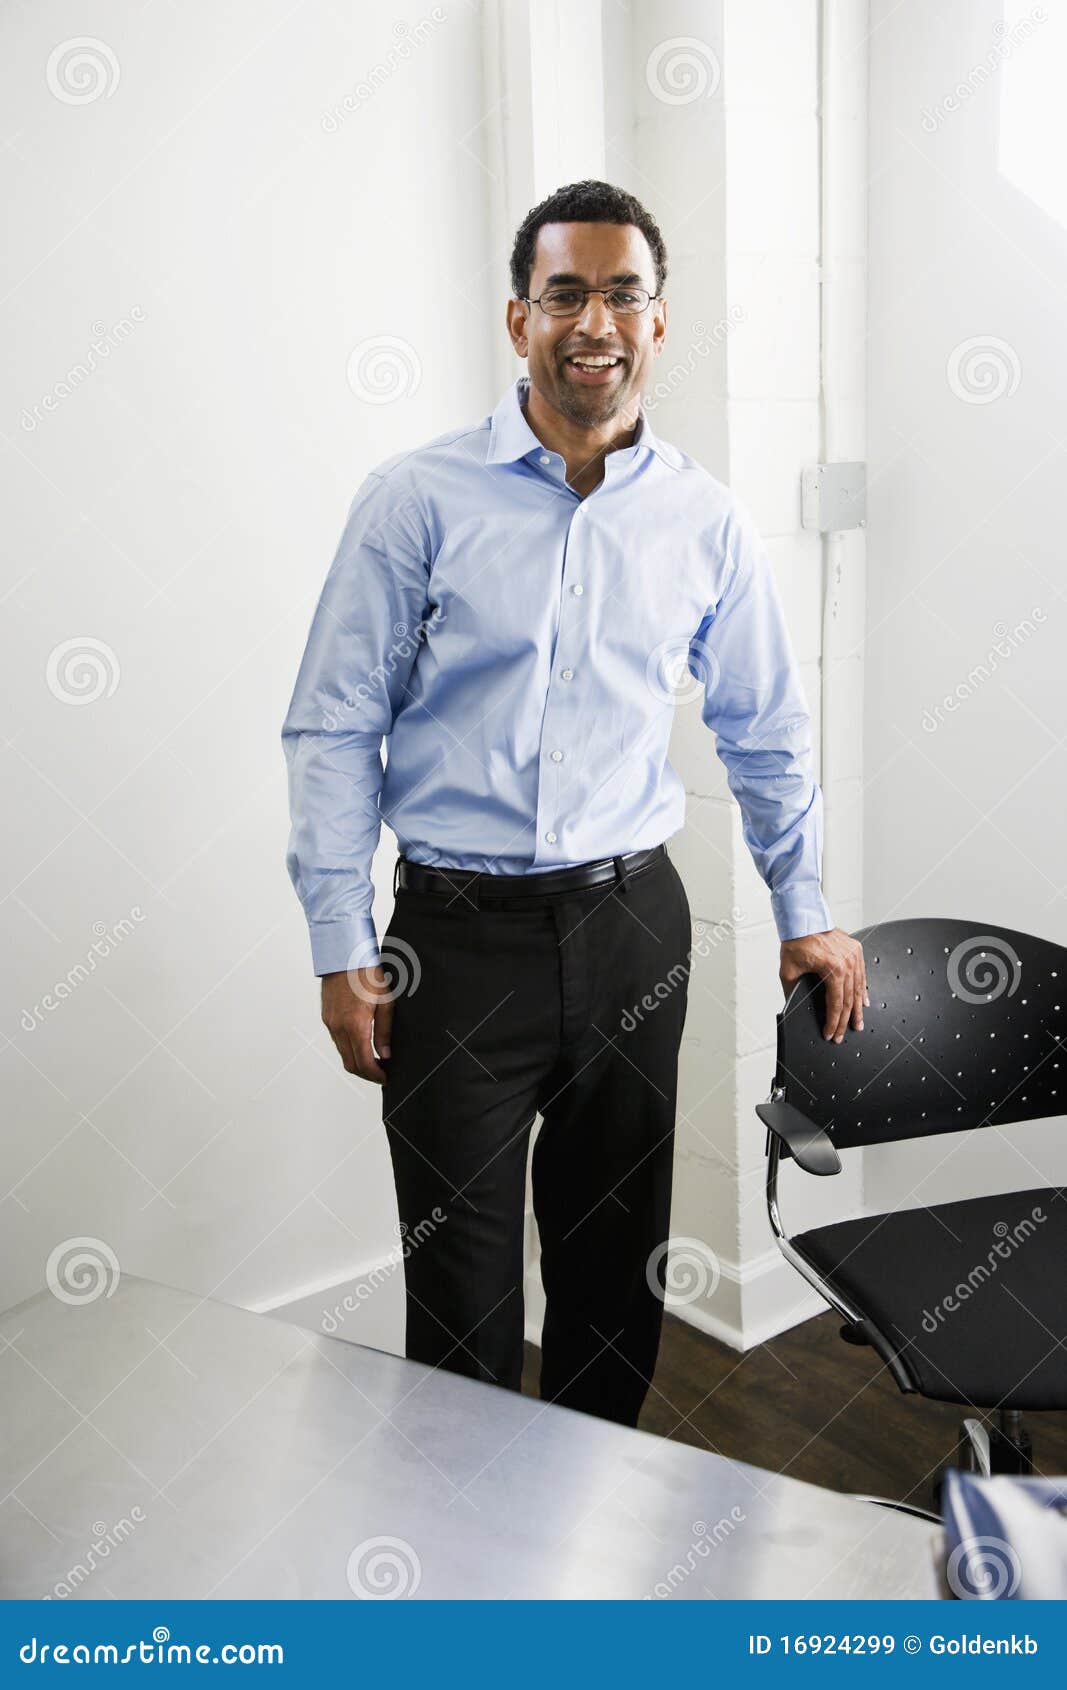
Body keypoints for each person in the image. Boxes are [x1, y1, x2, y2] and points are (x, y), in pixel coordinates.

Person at [281, 179, 867, 1428]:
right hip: (450, 943)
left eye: (619, 293)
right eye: (562, 293)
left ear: (658, 323)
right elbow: (333, 726)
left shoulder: (704, 521)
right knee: (463, 1290)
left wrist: (802, 907)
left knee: (613, 1273)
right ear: (517, 320)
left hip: (629, 932)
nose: (590, 319)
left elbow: (763, 729)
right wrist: (339, 944)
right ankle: (471, 1575)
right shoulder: (415, 500)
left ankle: (599, 1534)